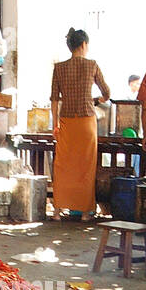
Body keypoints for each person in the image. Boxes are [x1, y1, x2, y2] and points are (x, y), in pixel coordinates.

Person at [50, 27, 110, 219]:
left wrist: (55, 124)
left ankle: (58, 210)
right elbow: (107, 93)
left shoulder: (59, 68)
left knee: (63, 165)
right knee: (86, 165)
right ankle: (85, 212)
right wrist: (96, 101)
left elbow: (54, 99)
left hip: (66, 119)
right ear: (84, 44)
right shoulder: (92, 65)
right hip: (86, 121)